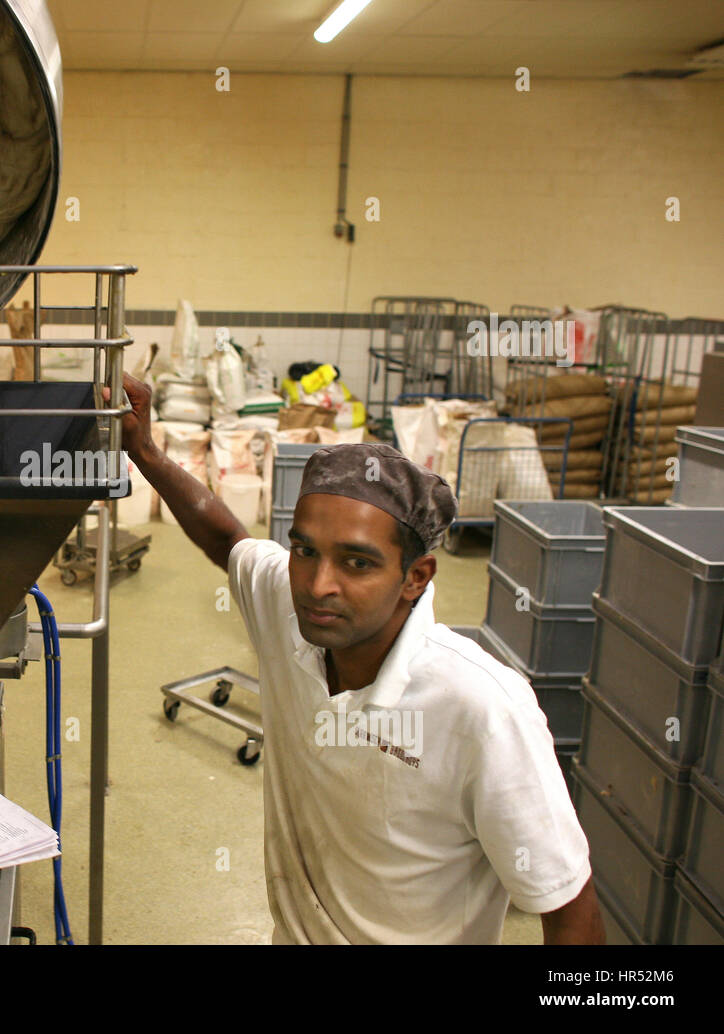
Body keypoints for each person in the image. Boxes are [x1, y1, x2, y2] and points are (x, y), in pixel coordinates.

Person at [109, 372, 603, 945]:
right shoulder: (289, 611)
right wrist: (142, 448)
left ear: (416, 577)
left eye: (358, 563)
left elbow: (568, 906)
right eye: (305, 551)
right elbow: (226, 540)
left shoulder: (482, 708)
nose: (320, 585)